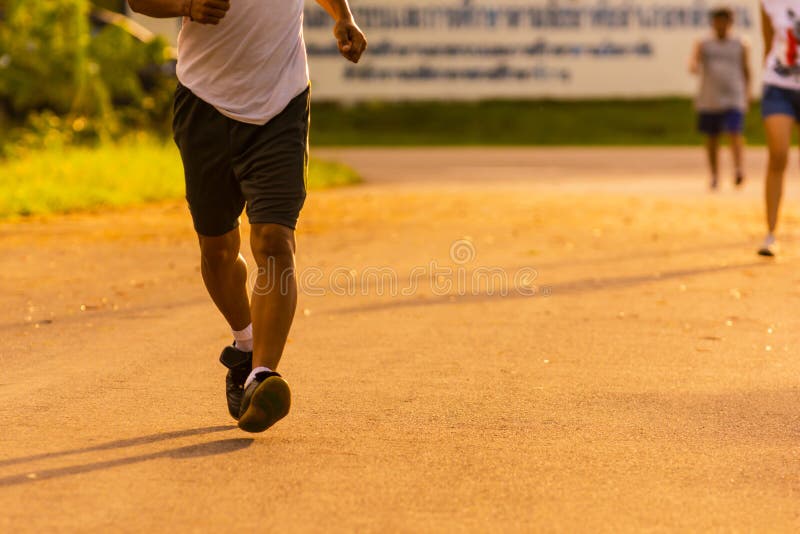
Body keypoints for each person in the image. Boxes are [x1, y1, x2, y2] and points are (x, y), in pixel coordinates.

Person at [127, 0, 367, 432]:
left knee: (274, 240)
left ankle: (262, 376)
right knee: (218, 250)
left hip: (282, 104)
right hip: (204, 103)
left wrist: (342, 16)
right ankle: (245, 344)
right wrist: (186, 5)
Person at [689, 6, 752, 191]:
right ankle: (715, 175)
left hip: (733, 96)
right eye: (718, 21)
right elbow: (694, 60)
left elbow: (746, 68)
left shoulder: (740, 43)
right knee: (712, 138)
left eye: (724, 21)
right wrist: (693, 65)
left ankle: (739, 169)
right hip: (710, 98)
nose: (721, 25)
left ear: (730, 23)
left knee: (735, 133)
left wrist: (747, 92)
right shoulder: (704, 43)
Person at [758, 1, 800, 256]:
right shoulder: (769, 2)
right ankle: (771, 232)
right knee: (778, 153)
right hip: (778, 86)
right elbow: (767, 42)